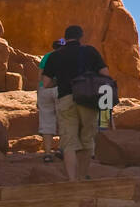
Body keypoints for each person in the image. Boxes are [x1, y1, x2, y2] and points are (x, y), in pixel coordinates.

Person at [40, 24, 110, 182]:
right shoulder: (90, 51)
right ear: (80, 36)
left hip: (65, 99)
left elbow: (46, 83)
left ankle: (72, 180)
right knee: (87, 139)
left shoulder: (55, 56)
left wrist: (60, 82)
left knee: (69, 141)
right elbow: (105, 74)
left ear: (65, 38)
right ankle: (83, 176)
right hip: (88, 99)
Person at [37, 38, 64, 161]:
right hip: (61, 89)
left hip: (45, 90)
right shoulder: (66, 56)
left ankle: (47, 153)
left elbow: (40, 76)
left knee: (46, 121)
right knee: (63, 119)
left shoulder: (47, 56)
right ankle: (61, 149)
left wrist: (39, 94)